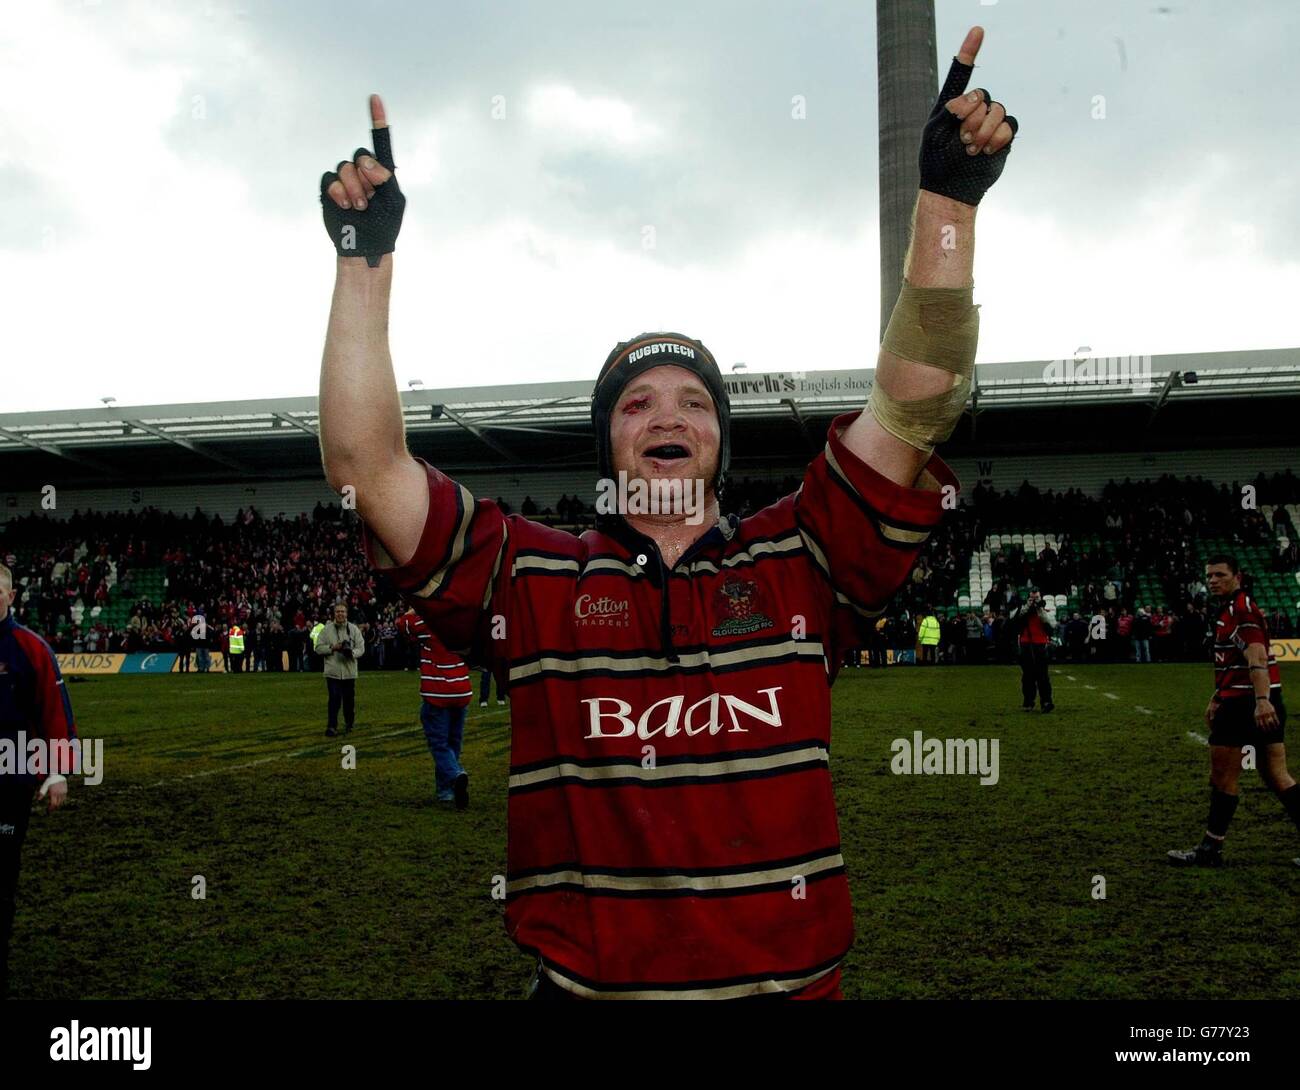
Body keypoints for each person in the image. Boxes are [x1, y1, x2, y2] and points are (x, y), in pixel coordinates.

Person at [317, 27, 1013, 999]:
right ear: (608, 443)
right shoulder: (532, 576)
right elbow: (364, 464)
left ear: (721, 439)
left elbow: (915, 406)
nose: (668, 415)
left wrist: (946, 204)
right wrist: (363, 264)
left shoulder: (803, 554)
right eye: (637, 403)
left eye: (693, 401)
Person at [1168, 555, 1300, 868]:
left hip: (1246, 706)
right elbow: (1236, 661)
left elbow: (1256, 655)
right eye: (1209, 575)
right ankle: (1210, 849)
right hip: (1255, 701)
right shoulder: (1231, 609)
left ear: (1236, 577)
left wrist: (1260, 700)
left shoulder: (1240, 610)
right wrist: (1219, 695)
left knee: (1223, 776)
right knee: (1277, 775)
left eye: (1220, 575)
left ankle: (1209, 850)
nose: (1213, 580)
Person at [0, 563, 76, 996]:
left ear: (11, 597)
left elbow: (55, 711)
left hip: (10, 780)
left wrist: (57, 771)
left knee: (2, 877)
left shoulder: (30, 648)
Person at [397, 608, 472, 807]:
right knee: (453, 742)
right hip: (462, 688)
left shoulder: (429, 623)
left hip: (438, 690)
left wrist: (415, 607)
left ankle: (455, 776)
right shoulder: (462, 625)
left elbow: (402, 624)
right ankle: (446, 790)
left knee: (439, 743)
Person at [315, 601, 365, 738]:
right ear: (334, 613)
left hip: (349, 672)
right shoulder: (326, 629)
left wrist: (352, 653)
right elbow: (318, 648)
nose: (340, 614)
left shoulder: (354, 629)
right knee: (334, 699)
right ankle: (332, 726)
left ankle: (349, 723)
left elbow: (361, 648)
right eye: (338, 611)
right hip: (333, 672)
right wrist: (332, 648)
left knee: (349, 701)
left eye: (342, 611)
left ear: (347, 613)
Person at [1009, 590, 1054, 712]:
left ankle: (1046, 701)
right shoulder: (1023, 608)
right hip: (1026, 643)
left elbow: (1050, 624)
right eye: (1032, 598)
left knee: (1042, 676)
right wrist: (1027, 606)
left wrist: (1040, 608)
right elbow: (1014, 619)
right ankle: (1028, 701)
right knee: (1028, 675)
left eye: (1037, 597)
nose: (1034, 600)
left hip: (1040, 643)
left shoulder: (1044, 609)